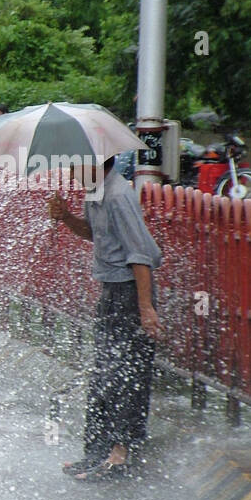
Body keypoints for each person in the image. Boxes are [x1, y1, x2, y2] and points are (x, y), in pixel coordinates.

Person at [48, 155, 162, 481]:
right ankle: (95, 452)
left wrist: (145, 308)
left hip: (130, 293)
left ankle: (120, 455)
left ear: (97, 163)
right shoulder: (95, 191)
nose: (71, 174)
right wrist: (67, 217)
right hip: (110, 293)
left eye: (75, 166)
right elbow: (95, 234)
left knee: (126, 376)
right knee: (102, 376)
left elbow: (140, 255)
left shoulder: (117, 195)